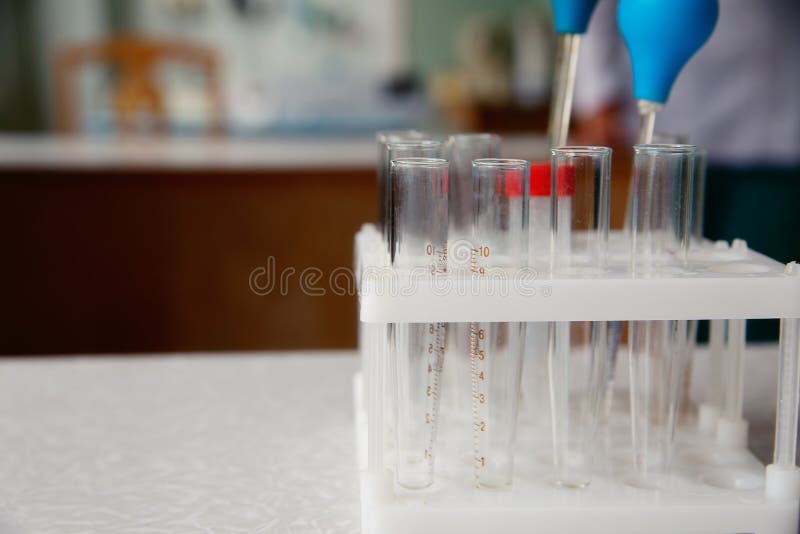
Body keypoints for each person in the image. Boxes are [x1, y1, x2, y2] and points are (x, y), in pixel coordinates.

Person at [571, 0, 800, 339]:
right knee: (670, 301)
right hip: (665, 109)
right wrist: (598, 95)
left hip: (773, 118)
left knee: (759, 310)